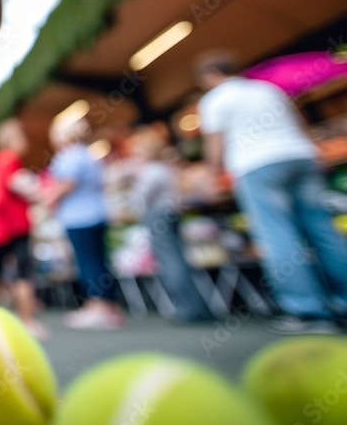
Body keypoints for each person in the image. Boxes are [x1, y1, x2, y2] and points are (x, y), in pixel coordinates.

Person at [196, 52, 347, 334]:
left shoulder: (214, 100)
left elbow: (216, 143)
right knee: (323, 228)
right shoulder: (266, 88)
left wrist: (210, 176)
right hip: (299, 156)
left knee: (278, 235)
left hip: (257, 165)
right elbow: (299, 123)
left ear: (210, 76)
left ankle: (309, 311)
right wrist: (313, 151)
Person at [45, 117, 124, 330]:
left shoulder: (70, 157)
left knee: (87, 262)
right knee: (99, 260)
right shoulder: (89, 155)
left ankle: (99, 307)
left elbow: (66, 185)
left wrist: (48, 200)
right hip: (97, 214)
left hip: (79, 218)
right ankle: (108, 306)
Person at [128, 125, 213, 322]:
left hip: (157, 216)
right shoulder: (166, 169)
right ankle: (195, 307)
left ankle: (187, 309)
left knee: (170, 263)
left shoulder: (151, 171)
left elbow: (139, 200)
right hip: (170, 214)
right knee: (179, 260)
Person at [0, 119, 46, 338]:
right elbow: (11, 188)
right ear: (11, 138)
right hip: (14, 227)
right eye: (21, 136)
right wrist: (38, 193)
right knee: (22, 274)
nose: (25, 141)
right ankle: (27, 322)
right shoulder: (10, 159)